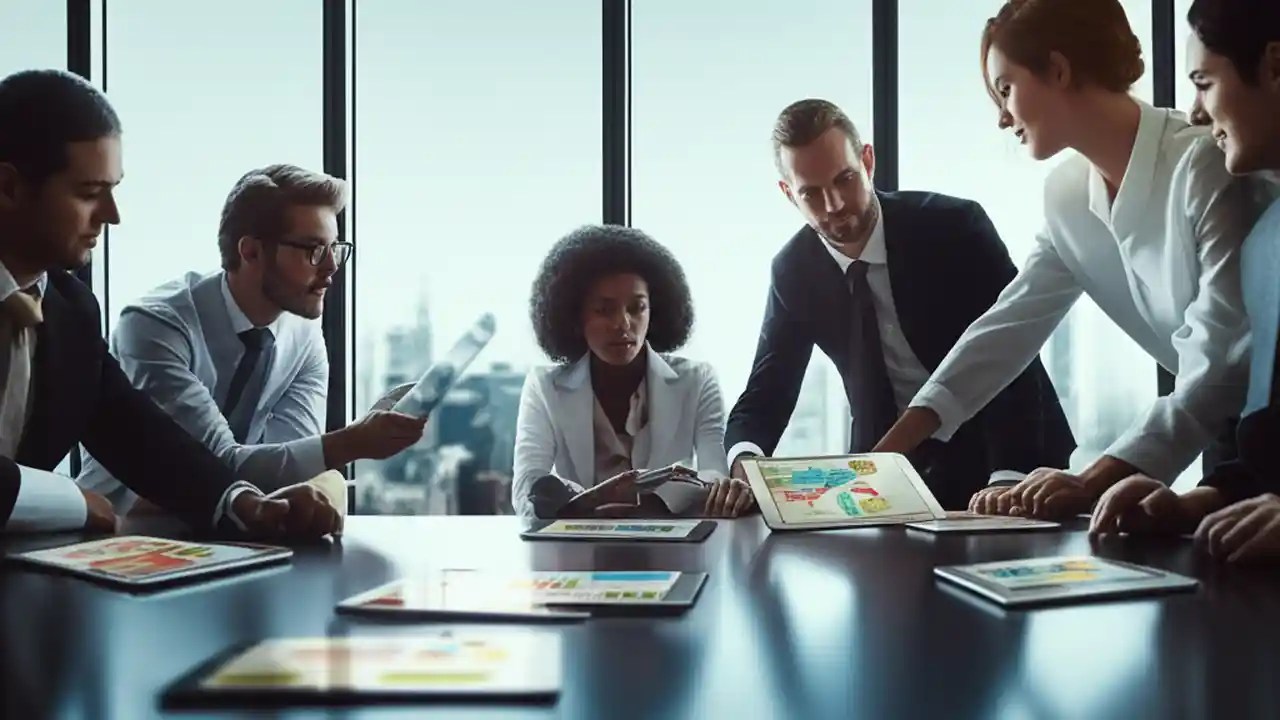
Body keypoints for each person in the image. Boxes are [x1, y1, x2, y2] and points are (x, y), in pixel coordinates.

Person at [873, 0, 1264, 520]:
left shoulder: (1204, 163)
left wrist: (1092, 478)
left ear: (1057, 70)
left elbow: (1220, 360)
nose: (1002, 117)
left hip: (1260, 412)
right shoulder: (1066, 195)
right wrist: (886, 454)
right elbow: (1008, 326)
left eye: (1006, 88)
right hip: (1218, 433)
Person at [0, 68, 337, 538]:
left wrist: (243, 504)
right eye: (89, 193)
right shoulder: (152, 320)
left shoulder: (70, 309)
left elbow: (137, 434)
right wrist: (69, 502)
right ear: (9, 188)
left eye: (113, 190)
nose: (112, 216)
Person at [725, 98, 1075, 510]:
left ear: (868, 162)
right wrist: (746, 466)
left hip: (1006, 453)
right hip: (886, 471)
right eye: (812, 194)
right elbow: (768, 390)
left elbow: (1013, 351)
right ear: (788, 194)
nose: (834, 204)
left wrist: (1008, 476)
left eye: (845, 180)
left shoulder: (953, 227)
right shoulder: (793, 270)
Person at [76, 164, 426, 513]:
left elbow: (289, 471)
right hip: (117, 530)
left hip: (236, 529)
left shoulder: (302, 335)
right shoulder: (156, 326)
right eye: (314, 250)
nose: (331, 267)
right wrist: (351, 442)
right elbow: (212, 470)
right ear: (251, 252)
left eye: (335, 248)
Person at [1091, 0, 1280, 562]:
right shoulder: (1265, 240)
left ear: (1274, 66)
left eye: (1204, 83)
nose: (1197, 113)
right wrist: (1193, 502)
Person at [512, 225, 751, 519]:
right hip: (580, 550)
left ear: (655, 310)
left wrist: (650, 506)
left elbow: (715, 475)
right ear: (575, 315)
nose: (623, 324)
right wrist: (587, 504)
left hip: (672, 547)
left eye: (637, 308)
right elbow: (527, 488)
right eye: (604, 310)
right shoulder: (545, 387)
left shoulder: (697, 381)